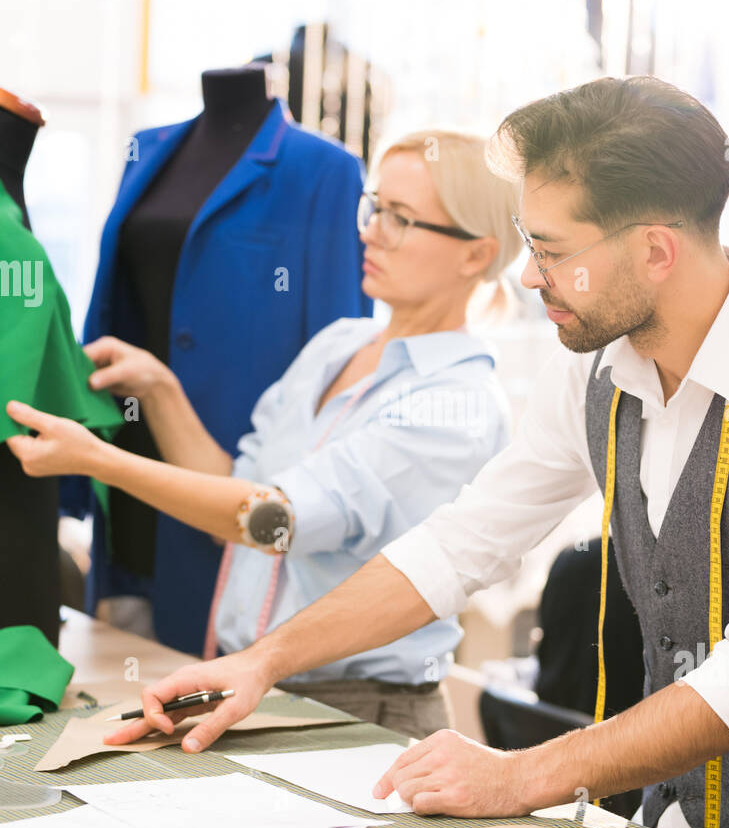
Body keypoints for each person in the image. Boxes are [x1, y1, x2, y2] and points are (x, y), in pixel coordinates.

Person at [44, 76, 729, 828]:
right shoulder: (590, 369)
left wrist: (520, 776)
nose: (530, 278)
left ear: (655, 250)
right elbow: (459, 545)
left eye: (553, 251)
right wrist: (262, 662)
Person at [6, 128, 520, 738]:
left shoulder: (455, 405)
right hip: (259, 687)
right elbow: (239, 485)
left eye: (401, 219)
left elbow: (270, 521)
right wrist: (160, 390)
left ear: (476, 254)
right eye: (374, 207)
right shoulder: (339, 345)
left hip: (360, 707)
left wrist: (99, 461)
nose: (371, 230)